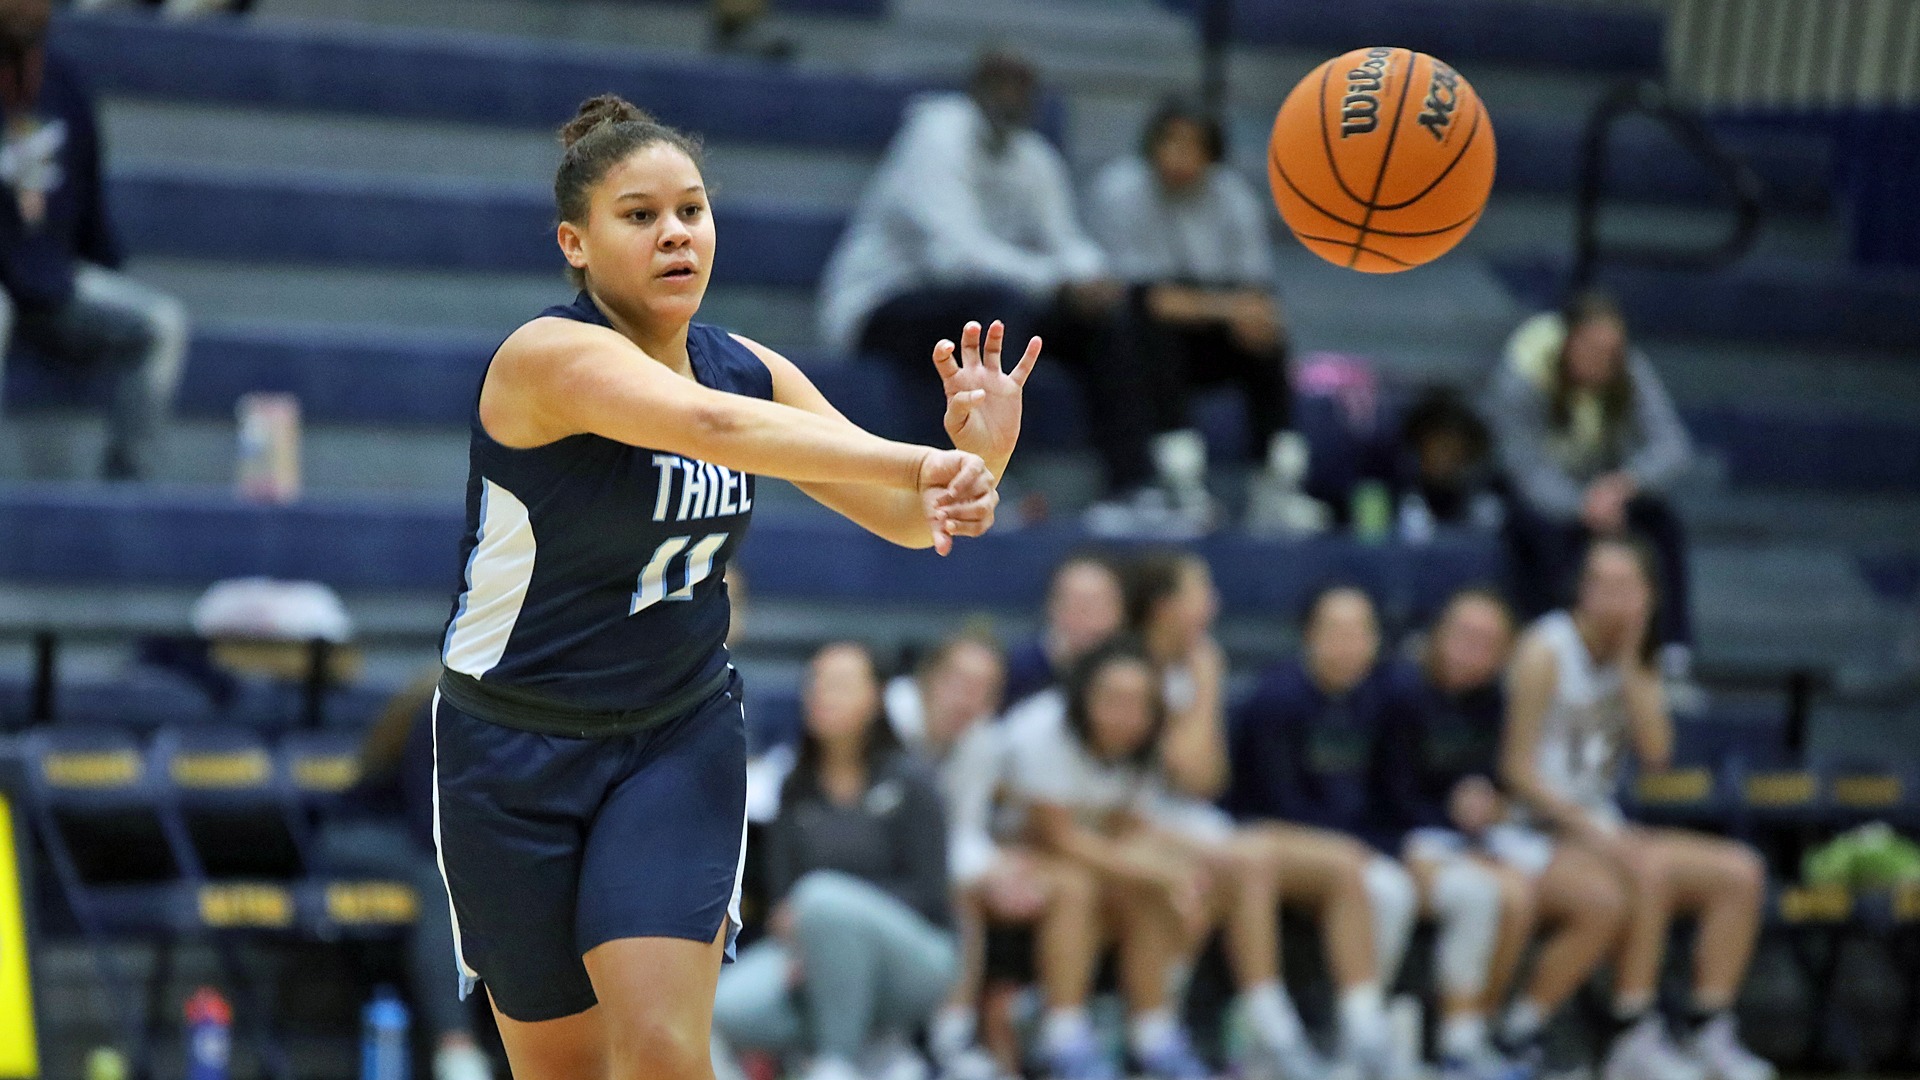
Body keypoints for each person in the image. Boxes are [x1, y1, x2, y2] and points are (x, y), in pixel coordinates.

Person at [430, 95, 1035, 1080]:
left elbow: (906, 515)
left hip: (676, 736)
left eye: (692, 209)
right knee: (565, 1071)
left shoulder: (748, 368)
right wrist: (919, 462)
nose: (676, 232)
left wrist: (975, 458)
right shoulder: (548, 357)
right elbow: (708, 431)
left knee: (667, 1049)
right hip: (508, 749)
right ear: (574, 244)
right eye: (640, 215)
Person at [819, 50, 1180, 530]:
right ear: (976, 87)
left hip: (993, 302)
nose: (1013, 96)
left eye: (1023, 85)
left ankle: (1131, 488)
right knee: (998, 309)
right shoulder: (936, 134)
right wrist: (1060, 281)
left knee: (1103, 320)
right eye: (1002, 83)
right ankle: (974, 481)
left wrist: (1094, 279)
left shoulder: (1033, 157)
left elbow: (1066, 240)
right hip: (883, 305)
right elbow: (955, 258)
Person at [1498, 537, 1773, 1080]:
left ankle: (1707, 1028)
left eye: (1626, 586)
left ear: (1648, 595)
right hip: (1534, 826)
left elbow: (1657, 757)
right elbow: (1516, 770)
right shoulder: (1545, 650)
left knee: (1740, 873)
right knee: (1645, 867)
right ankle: (1630, 1031)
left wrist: (1630, 663)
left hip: (1600, 823)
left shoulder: (1636, 658)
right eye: (1599, 584)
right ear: (1581, 589)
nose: (1610, 598)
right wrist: (1585, 826)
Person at [1382, 589, 1623, 1079]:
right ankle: (1461, 1042)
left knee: (1600, 899)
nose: (1470, 649)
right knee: (1502, 894)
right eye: (1463, 634)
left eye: (1486, 641)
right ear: (1437, 634)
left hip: (1480, 838)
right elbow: (1385, 793)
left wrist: (1489, 803)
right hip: (1404, 837)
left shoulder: (1495, 702)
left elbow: (1500, 778)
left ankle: (1509, 1033)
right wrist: (1451, 816)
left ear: (1504, 654)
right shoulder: (1398, 692)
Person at [713, 643, 956, 1080]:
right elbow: (783, 899)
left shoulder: (913, 783)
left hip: (916, 955)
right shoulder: (795, 787)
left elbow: (930, 897)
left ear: (876, 698)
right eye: (815, 683)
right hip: (809, 952)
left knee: (824, 898)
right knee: (724, 1008)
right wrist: (807, 926)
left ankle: (835, 1060)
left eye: (840, 684)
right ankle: (874, 1051)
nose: (822, 694)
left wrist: (828, 918)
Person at [1225, 586, 1437, 1080]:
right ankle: (1340, 1031)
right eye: (1335, 632)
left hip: (1357, 847)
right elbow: (1271, 801)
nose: (1349, 644)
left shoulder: (1388, 699)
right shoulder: (1275, 700)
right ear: (1308, 637)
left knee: (1396, 887)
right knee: (1376, 886)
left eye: (1361, 632)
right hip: (1275, 836)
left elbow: (1395, 795)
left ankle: (1360, 1031)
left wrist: (1399, 846)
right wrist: (1351, 849)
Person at [884, 629, 1104, 1080]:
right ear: (927, 679)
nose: (970, 698)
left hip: (930, 866)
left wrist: (998, 868)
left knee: (1061, 884)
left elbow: (965, 829)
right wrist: (983, 871)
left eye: (985, 689)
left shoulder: (982, 741)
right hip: (871, 859)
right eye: (959, 682)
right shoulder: (884, 719)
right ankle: (944, 1041)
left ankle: (1057, 1033)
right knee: (961, 888)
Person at [1002, 637, 1215, 1080]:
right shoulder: (1041, 728)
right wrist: (1163, 873)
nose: (1127, 714)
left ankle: (1153, 1035)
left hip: (1089, 859)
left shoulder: (1143, 747)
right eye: (1114, 699)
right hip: (1013, 852)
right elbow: (1055, 837)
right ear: (1083, 695)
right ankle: (1061, 1037)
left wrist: (1171, 874)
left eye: (1141, 703)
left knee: (1149, 885)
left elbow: (1127, 828)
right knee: (1082, 888)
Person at [1088, 98, 1304, 530]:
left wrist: (1253, 314)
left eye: (1193, 146)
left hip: (1215, 331)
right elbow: (1147, 298)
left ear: (1212, 153)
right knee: (1145, 332)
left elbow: (1257, 291)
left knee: (1267, 337)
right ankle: (1177, 476)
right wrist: (1229, 307)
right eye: (1171, 143)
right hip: (1147, 334)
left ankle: (1278, 476)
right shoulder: (1120, 191)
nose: (1180, 157)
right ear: (1151, 146)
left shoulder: (1234, 198)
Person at [0, 0, 187, 480]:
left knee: (162, 323)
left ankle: (128, 494)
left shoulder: (63, 83)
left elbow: (87, 195)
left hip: (55, 280)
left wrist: (98, 265)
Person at [1486, 291, 1696, 689]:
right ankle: (1559, 652)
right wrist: (1581, 504)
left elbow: (1673, 445)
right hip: (1545, 492)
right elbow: (1523, 468)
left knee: (1664, 525)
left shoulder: (1628, 367)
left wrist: (1624, 484)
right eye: (1591, 348)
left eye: (1612, 350)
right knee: (1541, 531)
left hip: (1606, 488)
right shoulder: (1523, 372)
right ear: (1568, 341)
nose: (1602, 360)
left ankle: (1671, 648)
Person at [323, 672, 496, 1080]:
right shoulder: (437, 711)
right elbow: (429, 824)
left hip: (428, 839)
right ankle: (456, 1050)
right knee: (442, 881)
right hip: (361, 834)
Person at [1002, 550, 1128, 709]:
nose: (1086, 618)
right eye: (1076, 604)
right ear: (1052, 607)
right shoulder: (1016, 670)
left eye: (1097, 604)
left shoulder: (1139, 673)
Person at [1392, 387, 1507, 544]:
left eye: (1453, 451)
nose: (1444, 459)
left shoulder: (1484, 498)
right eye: (1439, 448)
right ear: (1419, 447)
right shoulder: (1399, 490)